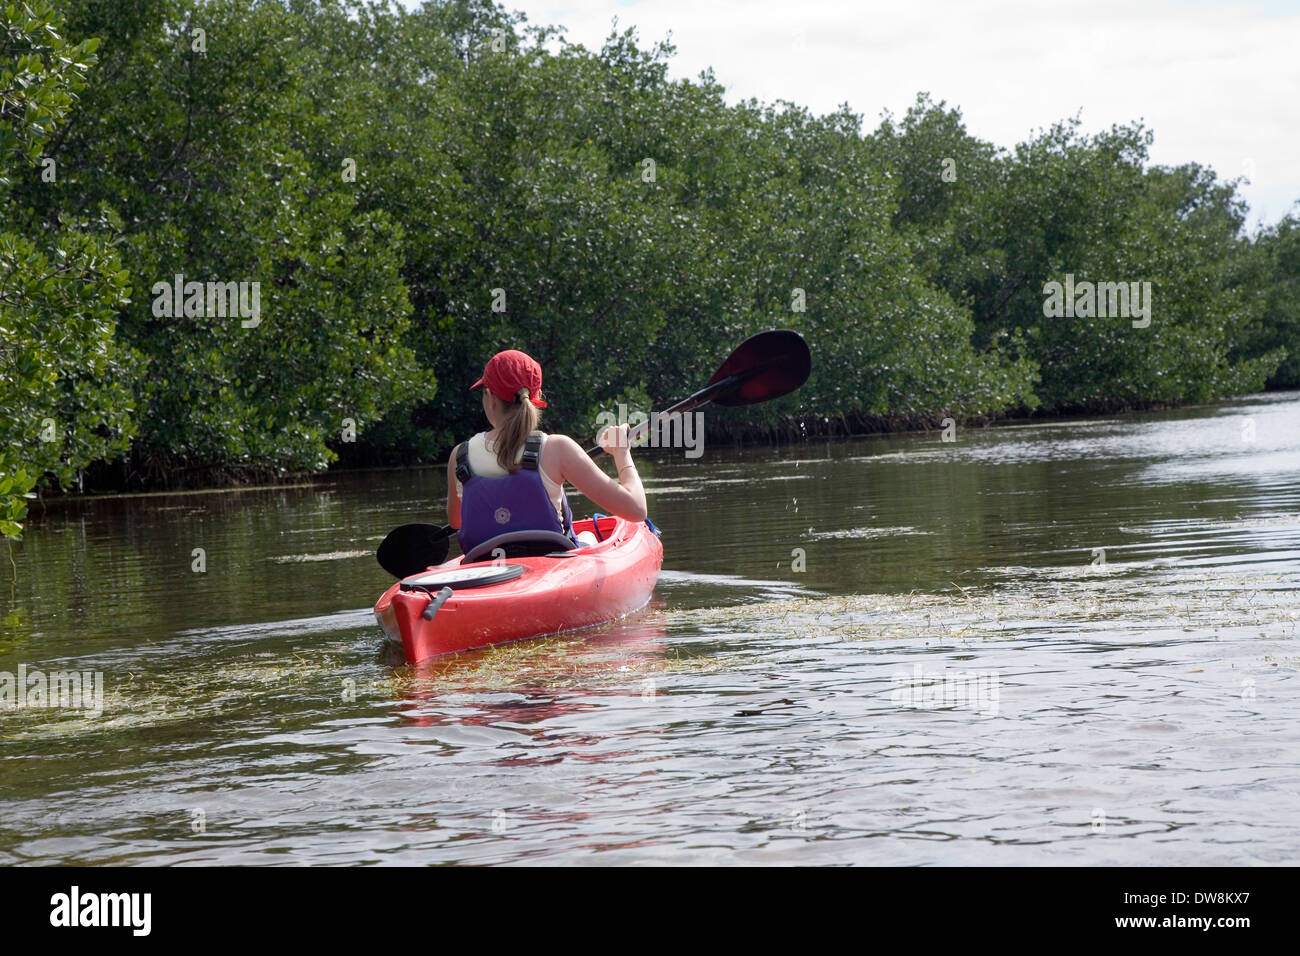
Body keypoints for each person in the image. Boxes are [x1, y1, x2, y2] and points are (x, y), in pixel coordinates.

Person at [447, 349, 648, 557]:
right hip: (551, 566)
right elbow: (636, 510)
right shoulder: (558, 448)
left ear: (490, 398)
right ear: (536, 398)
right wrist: (621, 453)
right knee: (588, 535)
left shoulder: (459, 456)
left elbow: (456, 521)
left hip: (484, 572)